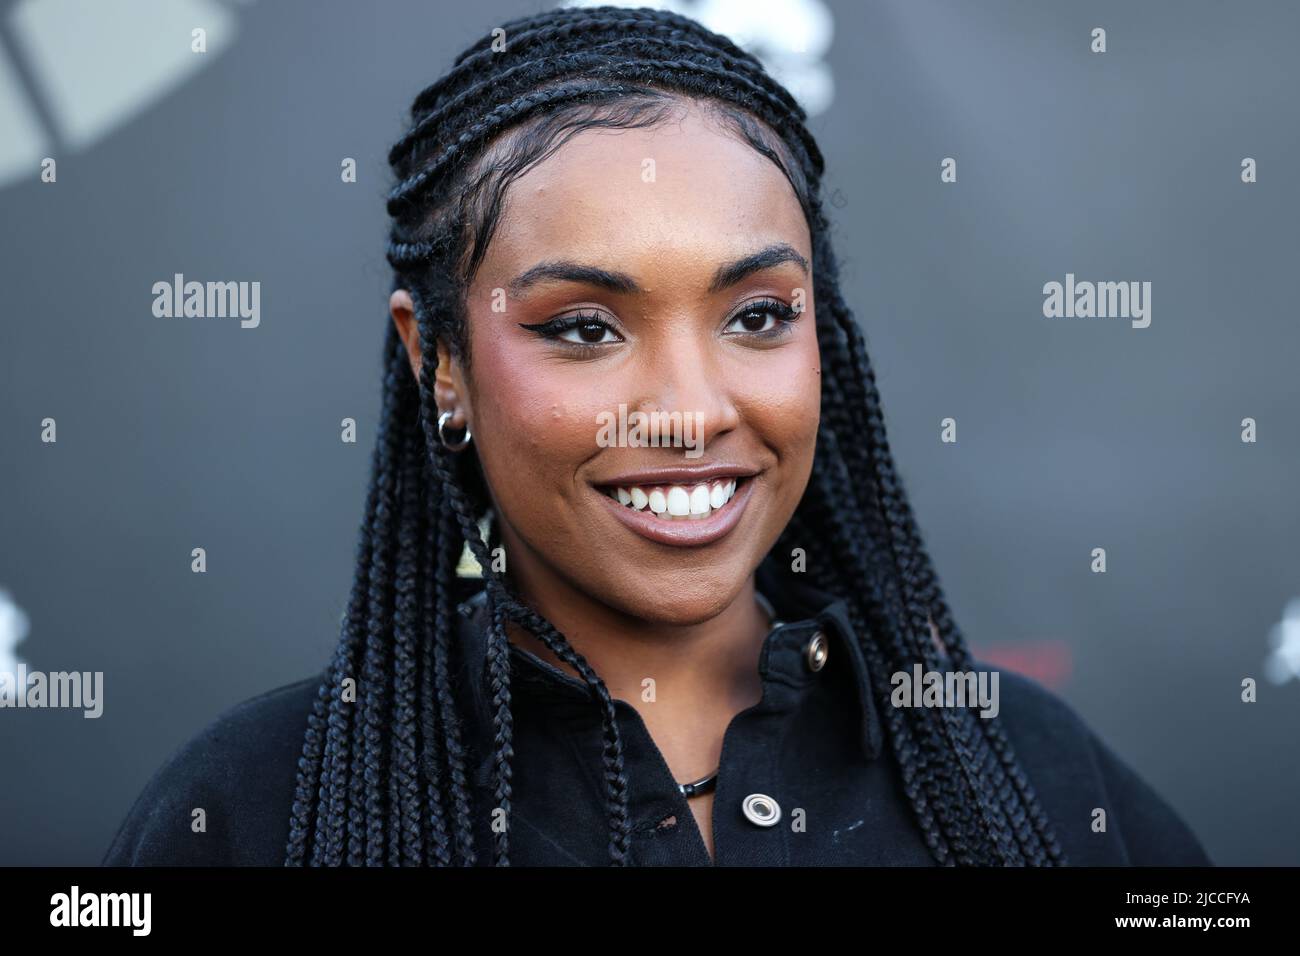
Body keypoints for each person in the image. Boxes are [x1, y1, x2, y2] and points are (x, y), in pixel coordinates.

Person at [103, 4, 1211, 867]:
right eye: (584, 327)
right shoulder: (255, 811)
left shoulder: (1024, 772)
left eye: (757, 315)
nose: (688, 408)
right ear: (436, 361)